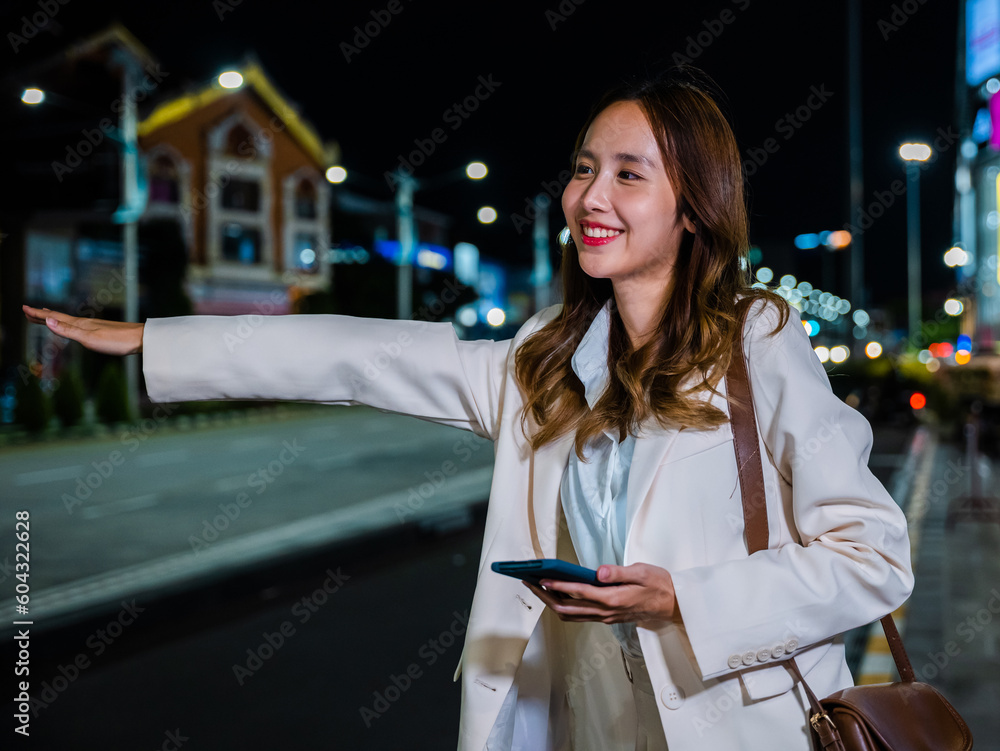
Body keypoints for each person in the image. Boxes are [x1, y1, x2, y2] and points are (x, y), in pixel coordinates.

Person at [24, 68, 913, 750]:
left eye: (628, 175)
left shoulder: (756, 339)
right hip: (590, 721)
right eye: (583, 169)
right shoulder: (545, 360)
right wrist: (158, 341)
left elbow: (875, 555)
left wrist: (685, 599)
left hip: (732, 724)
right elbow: (361, 359)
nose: (590, 197)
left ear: (694, 207)